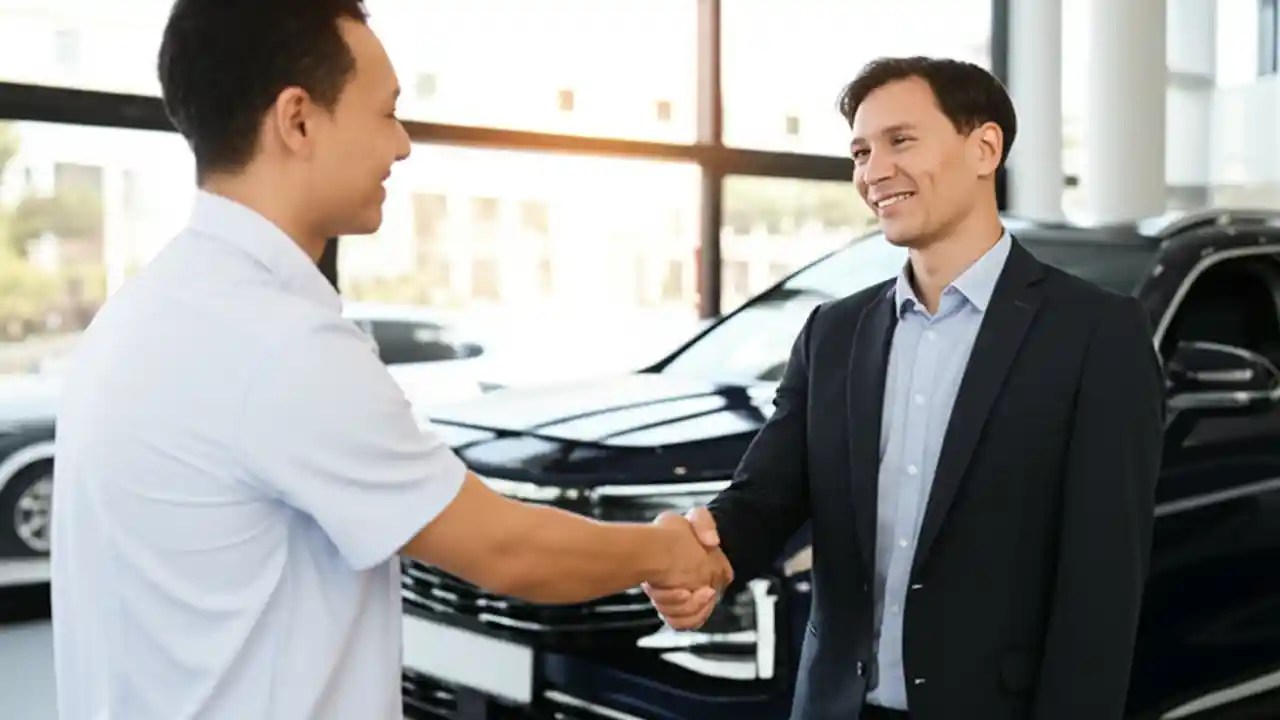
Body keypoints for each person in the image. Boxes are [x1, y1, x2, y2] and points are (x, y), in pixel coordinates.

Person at [49, 2, 729, 718]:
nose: (401, 145)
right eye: (386, 113)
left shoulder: (143, 311)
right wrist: (667, 550)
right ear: (298, 119)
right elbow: (506, 549)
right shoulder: (276, 341)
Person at [645, 56, 1165, 720]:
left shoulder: (1097, 334)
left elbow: (1100, 590)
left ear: (984, 148)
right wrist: (702, 559)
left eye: (900, 141)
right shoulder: (833, 332)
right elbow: (766, 497)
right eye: (860, 151)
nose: (872, 171)